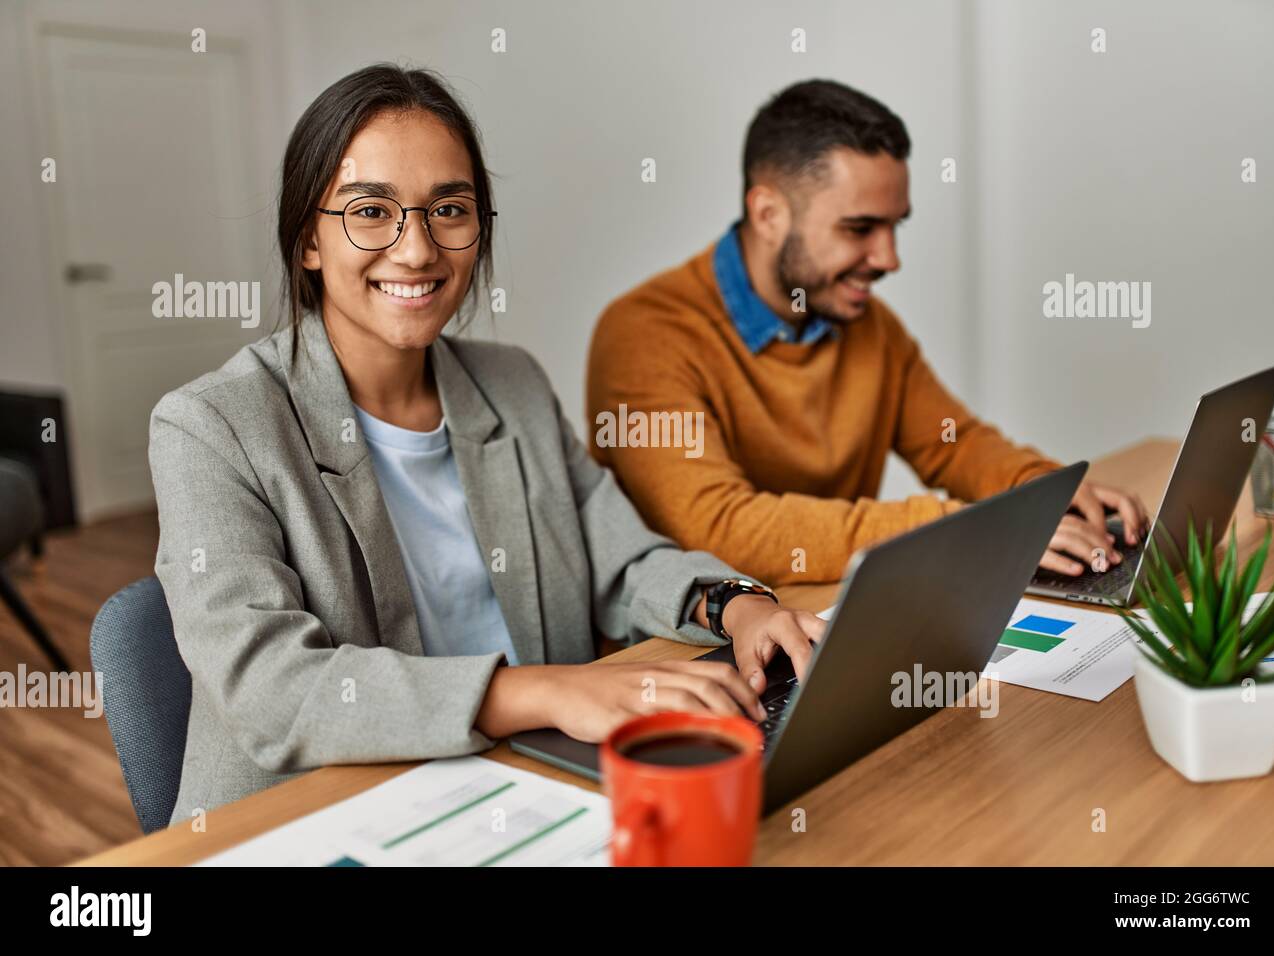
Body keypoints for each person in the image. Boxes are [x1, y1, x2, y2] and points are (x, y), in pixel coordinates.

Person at [149, 64, 823, 824]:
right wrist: (544, 691)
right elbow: (269, 687)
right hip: (315, 821)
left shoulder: (514, 385)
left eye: (450, 209)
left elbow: (623, 560)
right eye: (371, 211)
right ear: (309, 237)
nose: (416, 251)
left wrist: (737, 607)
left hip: (522, 788)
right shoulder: (209, 427)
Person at [587, 79, 1148, 586]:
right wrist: (976, 529)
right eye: (860, 229)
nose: (889, 258)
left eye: (894, 226)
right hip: (686, 654)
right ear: (767, 214)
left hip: (819, 615)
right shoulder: (646, 334)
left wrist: (1038, 488)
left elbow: (953, 443)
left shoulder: (862, 322)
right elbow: (718, 527)